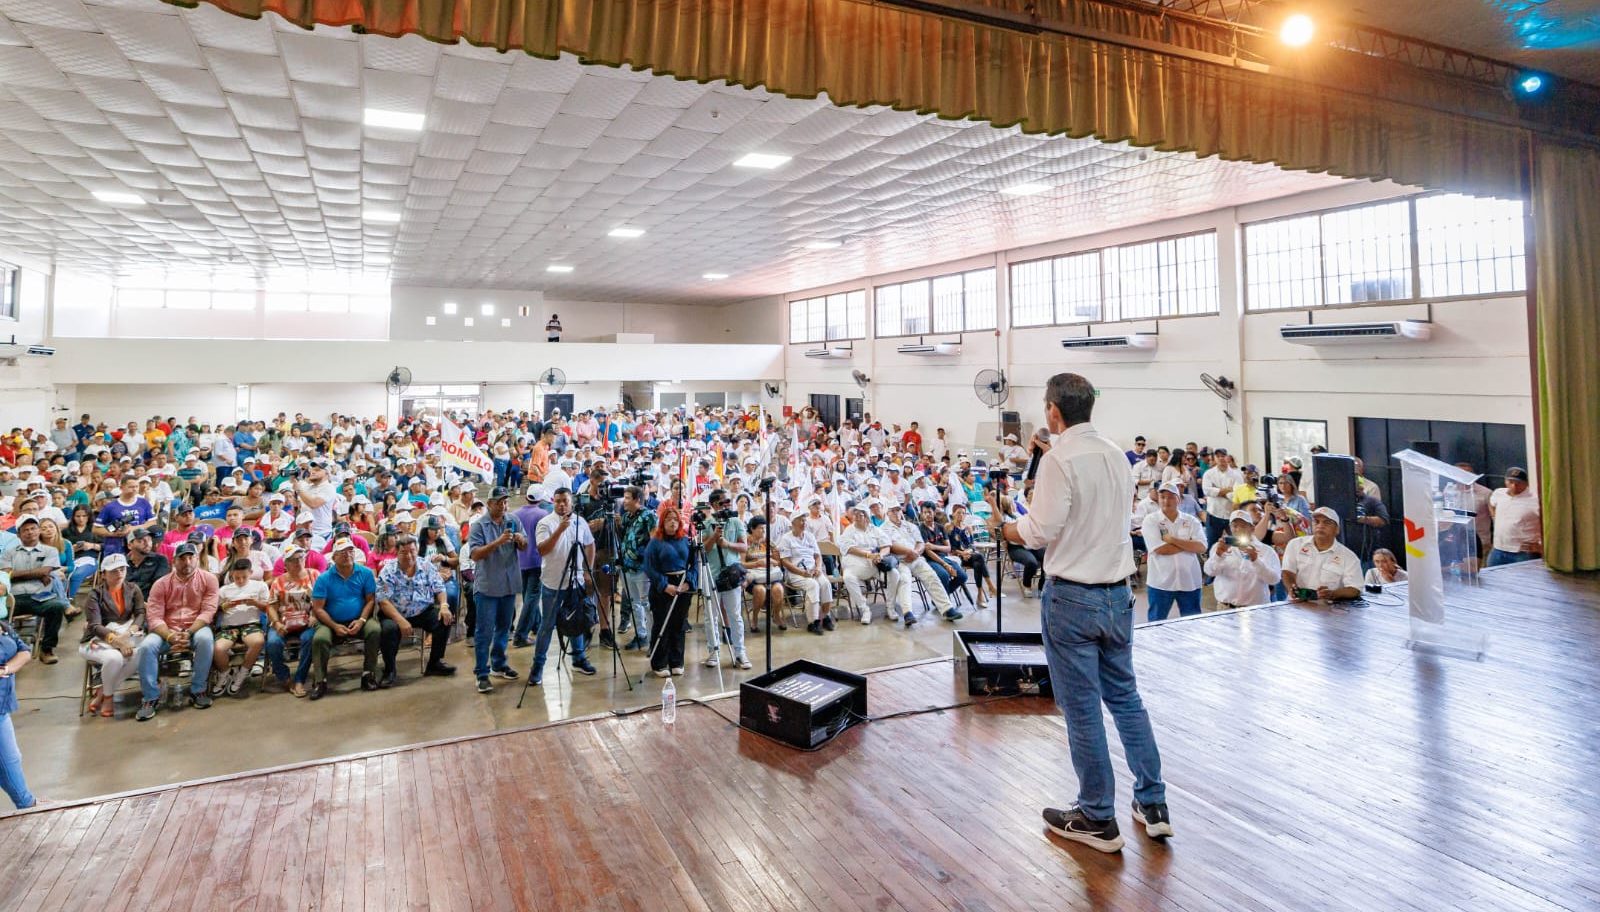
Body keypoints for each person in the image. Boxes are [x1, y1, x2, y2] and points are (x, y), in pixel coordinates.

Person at [992, 372, 1170, 854]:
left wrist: (1006, 529)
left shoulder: (1059, 460)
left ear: (1053, 411)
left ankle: (1096, 816)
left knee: (1082, 708)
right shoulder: (1117, 455)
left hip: (1073, 598)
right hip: (1117, 595)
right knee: (1127, 698)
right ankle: (1152, 803)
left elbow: (1040, 530)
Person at [134, 541, 219, 721]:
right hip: (167, 629)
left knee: (205, 640)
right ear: (174, 561)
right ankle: (150, 697)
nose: (187, 562)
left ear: (197, 558)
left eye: (191, 557)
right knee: (146, 647)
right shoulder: (161, 584)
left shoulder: (209, 579)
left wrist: (188, 632)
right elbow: (154, 616)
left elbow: (208, 611)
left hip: (196, 627)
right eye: (182, 558)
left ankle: (198, 689)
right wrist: (170, 635)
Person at [532, 488, 597, 686]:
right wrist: (560, 529)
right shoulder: (545, 523)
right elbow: (542, 549)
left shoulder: (580, 521)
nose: (562, 504)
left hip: (575, 580)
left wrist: (587, 570)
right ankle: (538, 667)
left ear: (571, 502)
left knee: (576, 620)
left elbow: (590, 544)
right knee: (547, 626)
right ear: (553, 502)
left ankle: (579, 658)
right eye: (558, 501)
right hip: (553, 583)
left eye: (565, 501)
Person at [467, 486, 527, 694]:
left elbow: (526, 545)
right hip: (488, 587)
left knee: (504, 628)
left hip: (509, 584)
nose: (503, 506)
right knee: (484, 631)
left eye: (505, 502)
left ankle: (499, 664)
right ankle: (481, 673)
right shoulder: (479, 526)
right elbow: (475, 555)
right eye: (499, 502)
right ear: (489, 504)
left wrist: (520, 541)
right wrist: (498, 542)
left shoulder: (513, 521)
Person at [306, 539, 381, 700]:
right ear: (333, 557)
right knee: (320, 638)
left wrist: (361, 620)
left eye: (350, 551)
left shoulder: (365, 573)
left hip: (359, 618)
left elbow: (370, 600)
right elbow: (318, 608)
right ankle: (320, 680)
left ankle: (368, 673)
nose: (347, 555)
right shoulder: (324, 578)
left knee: (374, 630)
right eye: (342, 552)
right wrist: (334, 626)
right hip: (331, 621)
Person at [377, 533, 457, 682]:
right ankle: (389, 670)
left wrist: (444, 606)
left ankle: (434, 663)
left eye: (412, 551)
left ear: (417, 550)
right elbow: (383, 601)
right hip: (395, 613)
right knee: (388, 629)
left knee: (444, 619)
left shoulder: (426, 565)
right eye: (404, 552)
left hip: (422, 610)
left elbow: (439, 588)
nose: (408, 555)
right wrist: (400, 620)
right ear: (397, 552)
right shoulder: (388, 571)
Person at [79, 553, 146, 718]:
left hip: (127, 634)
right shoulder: (95, 595)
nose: (119, 574)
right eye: (113, 571)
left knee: (141, 654)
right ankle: (108, 697)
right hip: (95, 640)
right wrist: (117, 641)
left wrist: (130, 632)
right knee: (114, 658)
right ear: (103, 574)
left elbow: (140, 613)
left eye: (122, 569)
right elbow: (95, 625)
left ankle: (102, 691)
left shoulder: (133, 589)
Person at [1, 515, 68, 664]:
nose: (30, 532)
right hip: (14, 597)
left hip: (39, 596)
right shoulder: (8, 553)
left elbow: (45, 571)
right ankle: (9, 650)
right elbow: (6, 575)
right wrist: (38, 573)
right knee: (1, 612)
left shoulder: (50, 551)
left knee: (57, 606)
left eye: (33, 528)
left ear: (38, 531)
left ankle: (47, 649)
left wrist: (16, 574)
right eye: (25, 530)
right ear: (18, 534)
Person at [1140, 482, 1208, 622]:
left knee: (1193, 623)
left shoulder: (1191, 521)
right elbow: (1160, 549)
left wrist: (1172, 539)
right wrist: (1189, 544)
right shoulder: (1151, 521)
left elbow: (1202, 547)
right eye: (1162, 497)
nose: (1166, 501)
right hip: (1161, 582)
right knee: (1156, 624)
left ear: (1179, 499)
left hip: (1189, 581)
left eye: (1171, 497)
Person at [699, 487, 750, 668]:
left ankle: (740, 652)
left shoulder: (736, 522)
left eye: (729, 501)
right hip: (711, 575)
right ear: (713, 505)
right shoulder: (705, 524)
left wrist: (727, 543)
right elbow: (703, 550)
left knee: (735, 614)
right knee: (710, 615)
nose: (727, 505)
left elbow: (744, 547)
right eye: (723, 502)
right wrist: (714, 537)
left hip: (731, 575)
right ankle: (714, 651)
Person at [643, 506, 696, 676]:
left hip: (682, 585)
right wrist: (665, 586)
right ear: (662, 522)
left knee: (679, 624)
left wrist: (689, 583)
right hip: (663, 586)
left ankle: (676, 661)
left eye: (675, 519)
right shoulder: (655, 542)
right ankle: (659, 663)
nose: (672, 522)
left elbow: (694, 564)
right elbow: (649, 567)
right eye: (668, 519)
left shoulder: (685, 540)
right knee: (661, 624)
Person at [211, 558, 270, 697]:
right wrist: (223, 607)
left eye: (244, 577)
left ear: (251, 573)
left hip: (251, 624)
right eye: (237, 577)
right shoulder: (224, 590)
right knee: (217, 648)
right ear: (231, 574)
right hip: (229, 626)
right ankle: (225, 673)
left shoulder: (260, 586)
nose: (240, 580)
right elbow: (215, 610)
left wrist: (255, 603)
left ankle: (243, 672)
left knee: (258, 642)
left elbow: (269, 608)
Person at [264, 545, 317, 697]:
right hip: (284, 621)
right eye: (293, 560)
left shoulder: (314, 575)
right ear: (285, 564)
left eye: (300, 558)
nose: (297, 562)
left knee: (310, 638)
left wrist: (315, 614)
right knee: (273, 643)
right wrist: (276, 623)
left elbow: (322, 600)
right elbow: (271, 606)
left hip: (307, 621)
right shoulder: (278, 581)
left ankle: (300, 679)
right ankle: (285, 678)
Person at [1281, 507, 1364, 603]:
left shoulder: (1349, 557)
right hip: (1296, 606)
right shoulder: (1295, 544)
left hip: (1328, 611)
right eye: (1316, 522)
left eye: (1327, 522)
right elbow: (1287, 572)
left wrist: (1333, 594)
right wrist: (1292, 588)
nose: (1320, 526)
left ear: (1337, 529)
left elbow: (1355, 589)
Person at [1203, 510, 1282, 610]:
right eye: (1235, 526)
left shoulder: (1266, 551)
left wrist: (1256, 560)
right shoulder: (1219, 547)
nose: (1238, 529)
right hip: (1226, 608)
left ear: (1252, 528)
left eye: (1243, 526)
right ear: (1230, 528)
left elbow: (1274, 579)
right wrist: (1218, 555)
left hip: (1256, 610)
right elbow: (1210, 571)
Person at [613, 485, 655, 651]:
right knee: (634, 603)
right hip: (627, 567)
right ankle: (641, 635)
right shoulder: (626, 517)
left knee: (647, 604)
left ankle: (653, 637)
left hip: (642, 568)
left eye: (628, 497)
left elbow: (654, 540)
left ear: (637, 499)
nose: (625, 501)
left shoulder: (648, 516)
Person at [0, 616, 35, 809]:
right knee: (9, 760)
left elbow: (24, 651)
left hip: (2, 705)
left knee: (9, 760)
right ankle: (27, 804)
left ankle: (27, 803)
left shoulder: (3, 625)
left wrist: (6, 668)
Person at [510, 483, 549, 649]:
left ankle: (536, 624)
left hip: (520, 560)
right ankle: (520, 635)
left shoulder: (515, 514)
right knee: (532, 597)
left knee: (528, 596)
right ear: (541, 499)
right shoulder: (542, 514)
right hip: (536, 561)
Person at [777, 512, 829, 635]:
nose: (804, 523)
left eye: (805, 520)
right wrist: (802, 572)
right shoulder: (786, 539)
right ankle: (813, 622)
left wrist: (818, 568)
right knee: (813, 585)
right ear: (793, 523)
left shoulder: (810, 536)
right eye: (801, 520)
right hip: (795, 573)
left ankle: (824, 616)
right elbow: (785, 561)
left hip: (812, 570)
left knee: (825, 583)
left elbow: (817, 555)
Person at [1487, 467, 1542, 567]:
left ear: (1526, 483)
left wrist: (1541, 545)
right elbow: (1491, 502)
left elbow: (1547, 523)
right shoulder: (1499, 493)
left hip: (1523, 553)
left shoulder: (1535, 499)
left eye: (1518, 483)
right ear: (1505, 481)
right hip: (1498, 549)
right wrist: (1494, 517)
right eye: (1511, 482)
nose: (1514, 486)